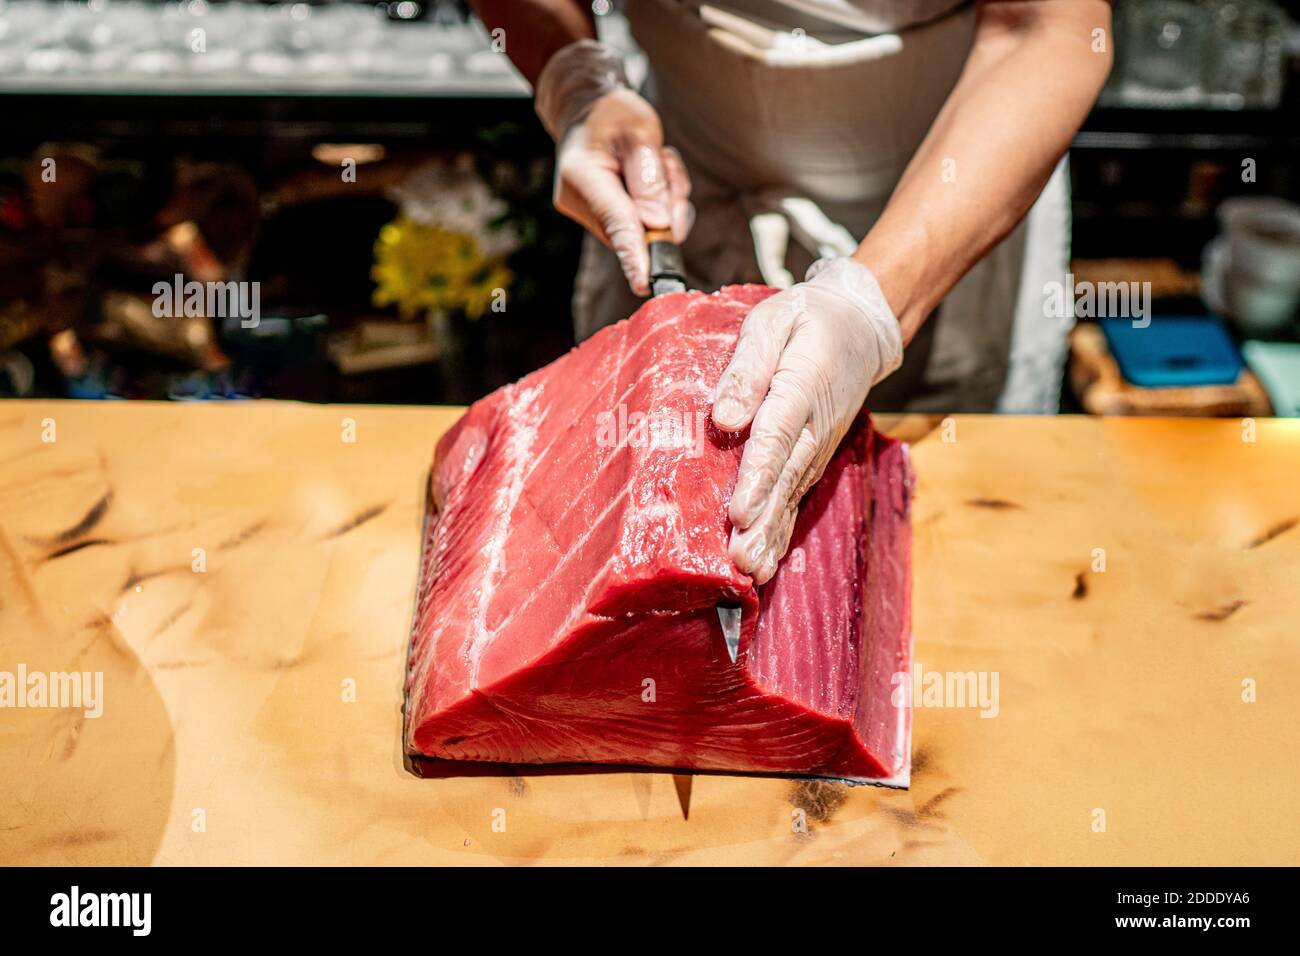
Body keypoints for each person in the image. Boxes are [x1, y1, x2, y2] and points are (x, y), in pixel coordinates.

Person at [473, 0, 1113, 583]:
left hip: (952, 194)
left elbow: (1049, 27)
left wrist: (868, 307)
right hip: (684, 178)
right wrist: (577, 83)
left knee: (950, 560)